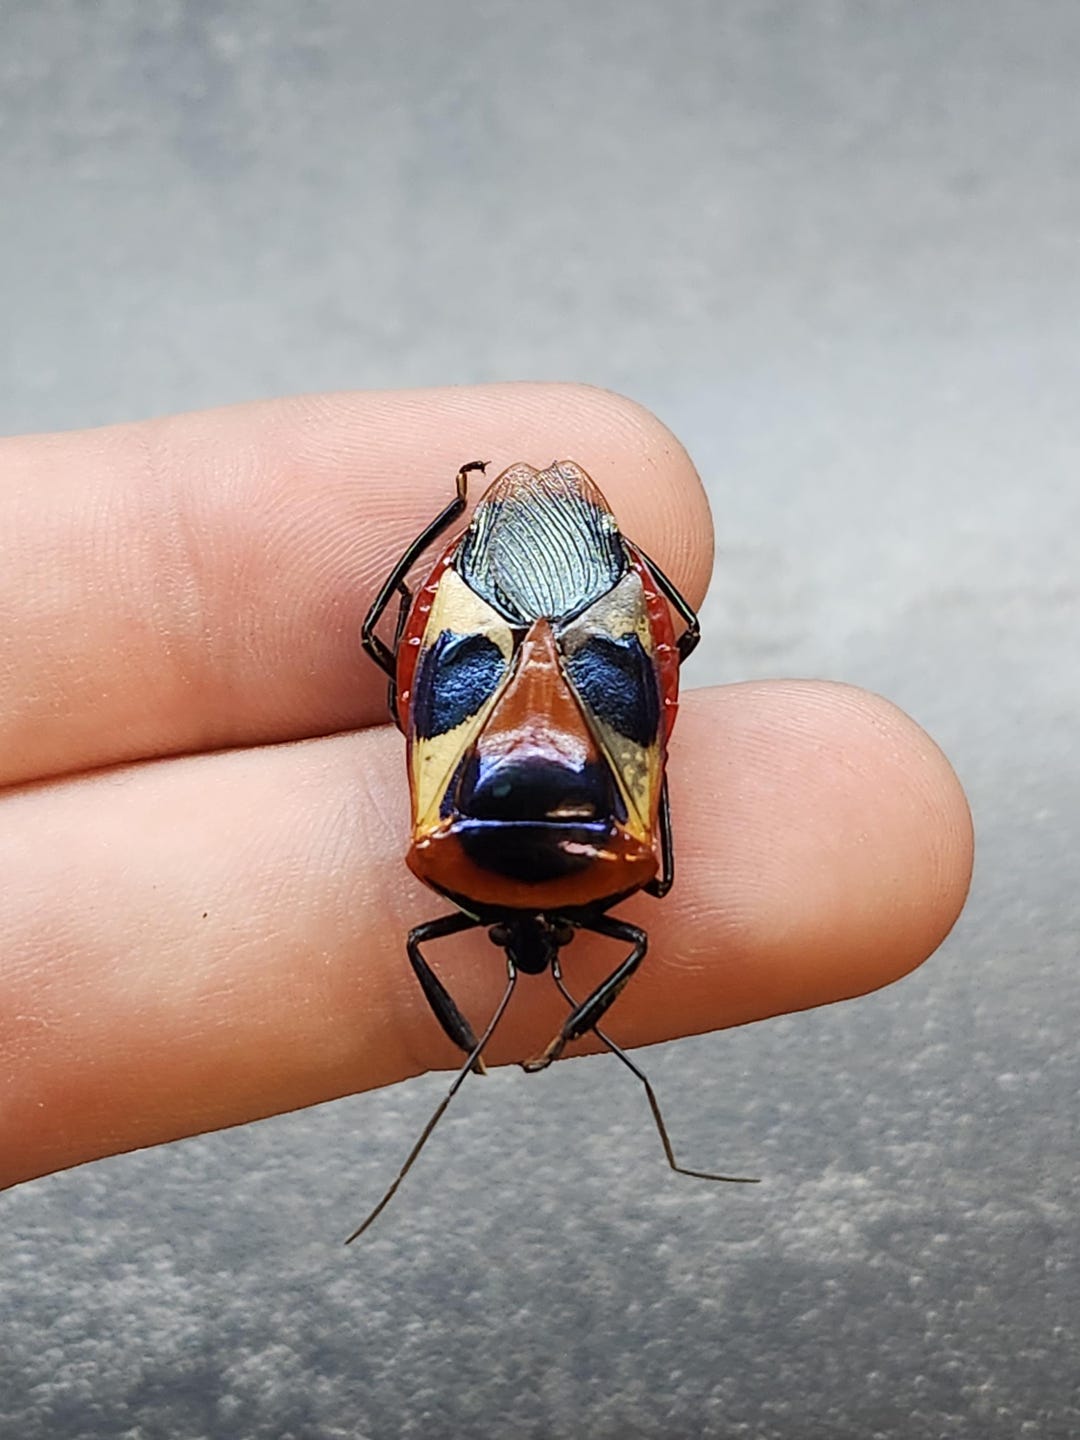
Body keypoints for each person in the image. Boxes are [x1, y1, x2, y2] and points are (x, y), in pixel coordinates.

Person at [0, 383, 973, 1192]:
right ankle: (556, 548)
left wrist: (636, 765)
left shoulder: (625, 868)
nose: (528, 946)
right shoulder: (450, 865)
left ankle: (507, 535)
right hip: (553, 755)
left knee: (407, 645)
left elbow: (642, 878)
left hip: (598, 773)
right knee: (384, 642)